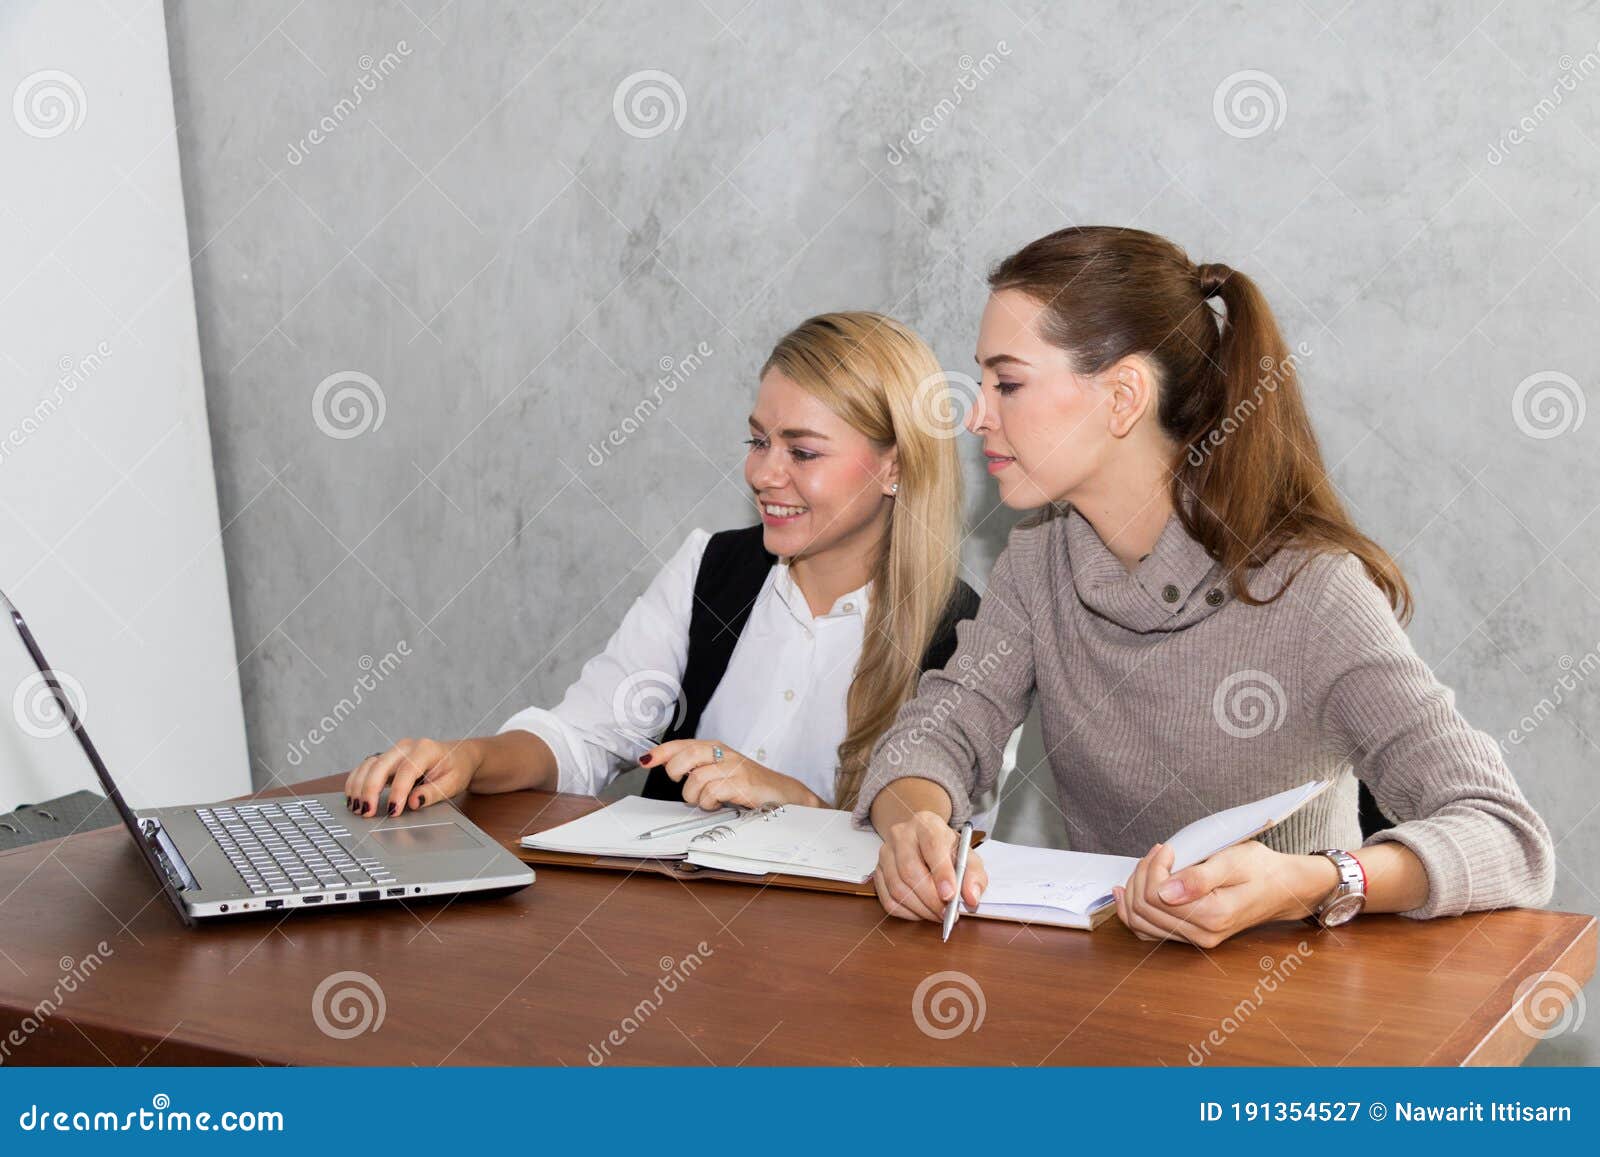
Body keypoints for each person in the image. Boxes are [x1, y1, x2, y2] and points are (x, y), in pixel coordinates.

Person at [858, 226, 1554, 945]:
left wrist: (1312, 881)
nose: (976, 414)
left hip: (1293, 1010)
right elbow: (941, 729)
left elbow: (1506, 835)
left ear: (1124, 394)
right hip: (1105, 1000)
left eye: (1008, 382)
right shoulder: (1037, 561)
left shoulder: (1314, 591)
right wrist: (915, 822)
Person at [344, 312, 979, 818]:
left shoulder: (966, 631)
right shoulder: (711, 568)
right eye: (758, 441)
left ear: (896, 466)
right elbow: (588, 739)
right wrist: (473, 758)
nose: (763, 474)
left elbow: (940, 849)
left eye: (803, 452)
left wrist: (801, 803)